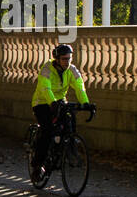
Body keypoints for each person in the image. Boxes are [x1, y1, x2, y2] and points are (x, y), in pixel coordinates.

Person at [30, 42, 96, 183]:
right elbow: (45, 87)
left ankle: (67, 148)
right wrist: (52, 102)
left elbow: (80, 87)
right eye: (64, 59)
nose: (67, 62)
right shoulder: (47, 68)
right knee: (47, 131)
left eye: (69, 59)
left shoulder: (71, 70)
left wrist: (85, 103)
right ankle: (37, 165)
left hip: (59, 101)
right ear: (57, 59)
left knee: (70, 121)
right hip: (42, 102)